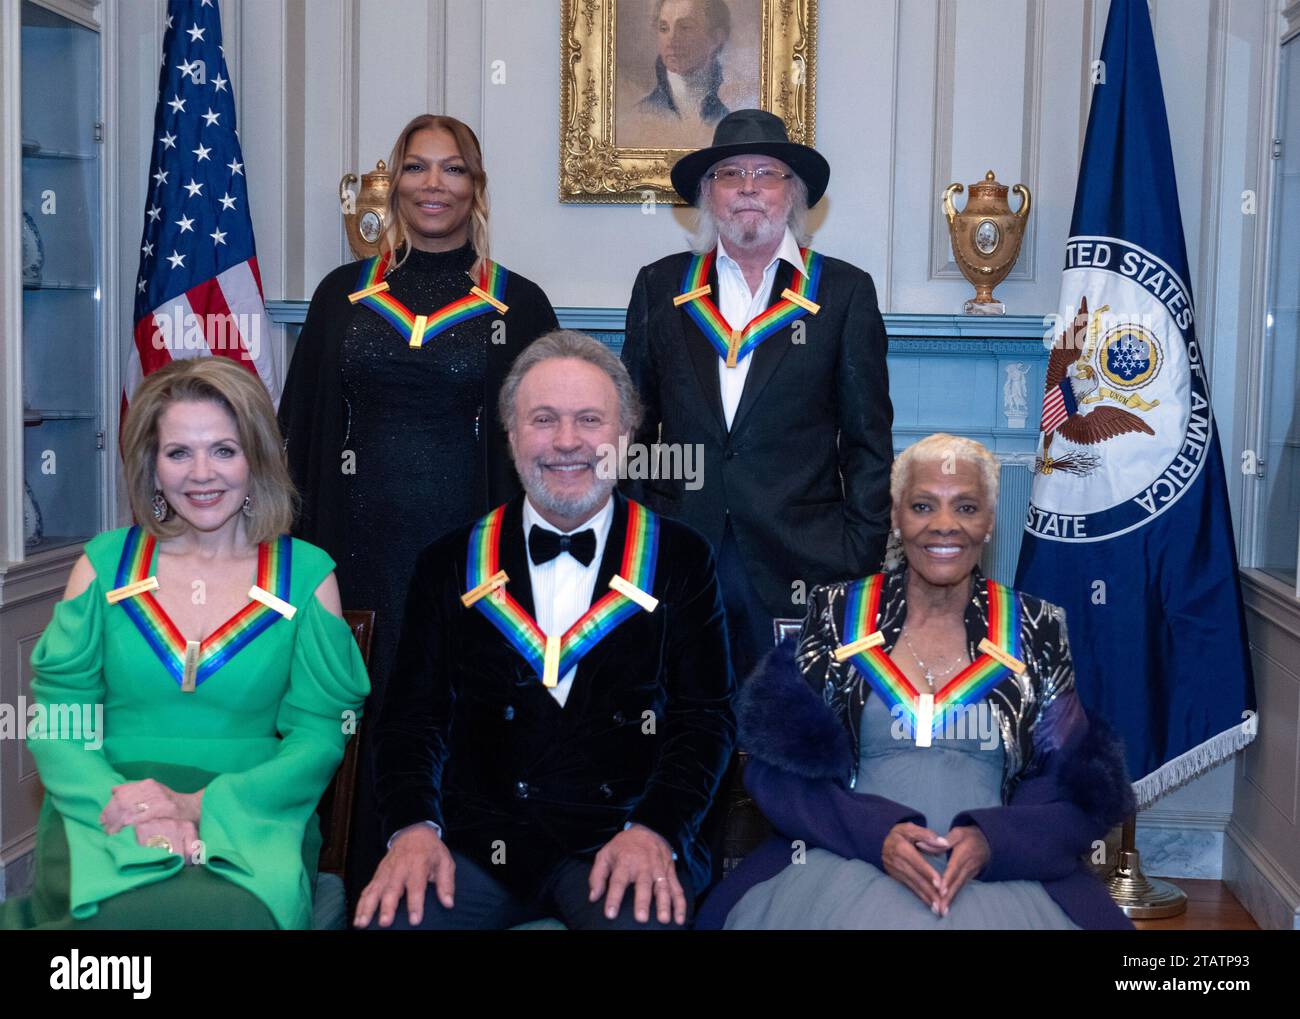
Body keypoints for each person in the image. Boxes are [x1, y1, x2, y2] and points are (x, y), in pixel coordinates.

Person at [355, 331, 735, 931]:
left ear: (626, 436)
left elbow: (704, 719)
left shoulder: (682, 557)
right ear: (511, 436)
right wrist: (412, 827)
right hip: (478, 845)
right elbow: (411, 720)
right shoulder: (450, 562)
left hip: (621, 837)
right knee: (392, 923)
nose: (566, 442)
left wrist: (656, 829)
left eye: (589, 420)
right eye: (543, 420)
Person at [278, 114, 559, 892]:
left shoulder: (518, 305)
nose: (434, 185)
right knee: (355, 714)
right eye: (416, 168)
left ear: (478, 190)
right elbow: (299, 434)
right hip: (352, 552)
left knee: (457, 712)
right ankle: (353, 880)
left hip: (468, 554)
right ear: (391, 184)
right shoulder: (343, 297)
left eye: (454, 169)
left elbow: (549, 450)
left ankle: (454, 890)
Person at [697, 434, 1136, 930]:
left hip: (1000, 875)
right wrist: (875, 835)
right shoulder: (838, 613)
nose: (944, 525)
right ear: (896, 517)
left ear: (989, 521)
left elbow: (1078, 787)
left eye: (965, 507)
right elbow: (774, 771)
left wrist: (995, 842)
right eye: (923, 505)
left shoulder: (1036, 626)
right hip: (845, 858)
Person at [1, 358, 368, 930]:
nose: (202, 474)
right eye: (179, 453)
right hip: (106, 806)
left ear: (258, 459)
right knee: (111, 920)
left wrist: (200, 807)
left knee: (226, 917)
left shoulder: (307, 575)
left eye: (224, 450)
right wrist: (133, 805)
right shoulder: (101, 566)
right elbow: (58, 724)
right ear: (152, 465)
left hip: (253, 815)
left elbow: (319, 739)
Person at [622, 107, 894, 685]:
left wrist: (858, 552)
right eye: (729, 174)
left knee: (790, 743)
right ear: (707, 194)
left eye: (766, 173)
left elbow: (868, 442)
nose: (748, 187)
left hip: (803, 561)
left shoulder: (844, 292)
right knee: (683, 735)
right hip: (680, 554)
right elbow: (633, 431)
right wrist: (643, 525)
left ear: (792, 194)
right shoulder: (660, 285)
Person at [638, 0, 731, 128]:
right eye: (664, 28)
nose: (671, 37)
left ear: (716, 38)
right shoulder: (641, 114)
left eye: (685, 27)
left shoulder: (732, 114)